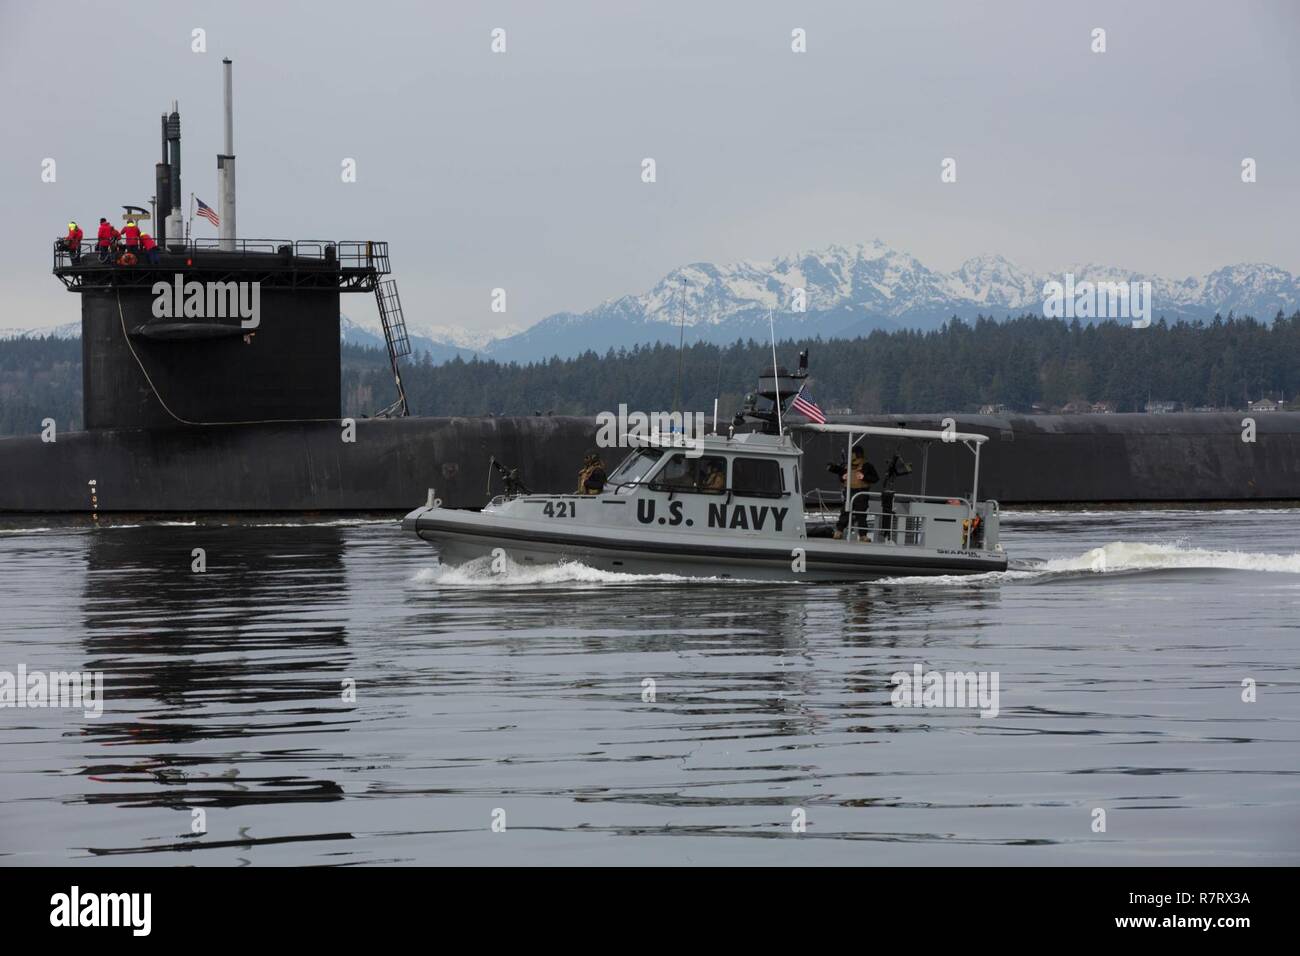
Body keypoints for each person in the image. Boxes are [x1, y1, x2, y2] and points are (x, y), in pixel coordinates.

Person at [828, 446, 878, 539]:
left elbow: (875, 478)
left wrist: (864, 477)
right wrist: (843, 477)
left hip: (861, 493)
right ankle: (839, 531)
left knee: (861, 514)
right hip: (849, 492)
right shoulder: (847, 466)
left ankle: (863, 535)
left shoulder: (867, 466)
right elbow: (841, 475)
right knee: (845, 512)